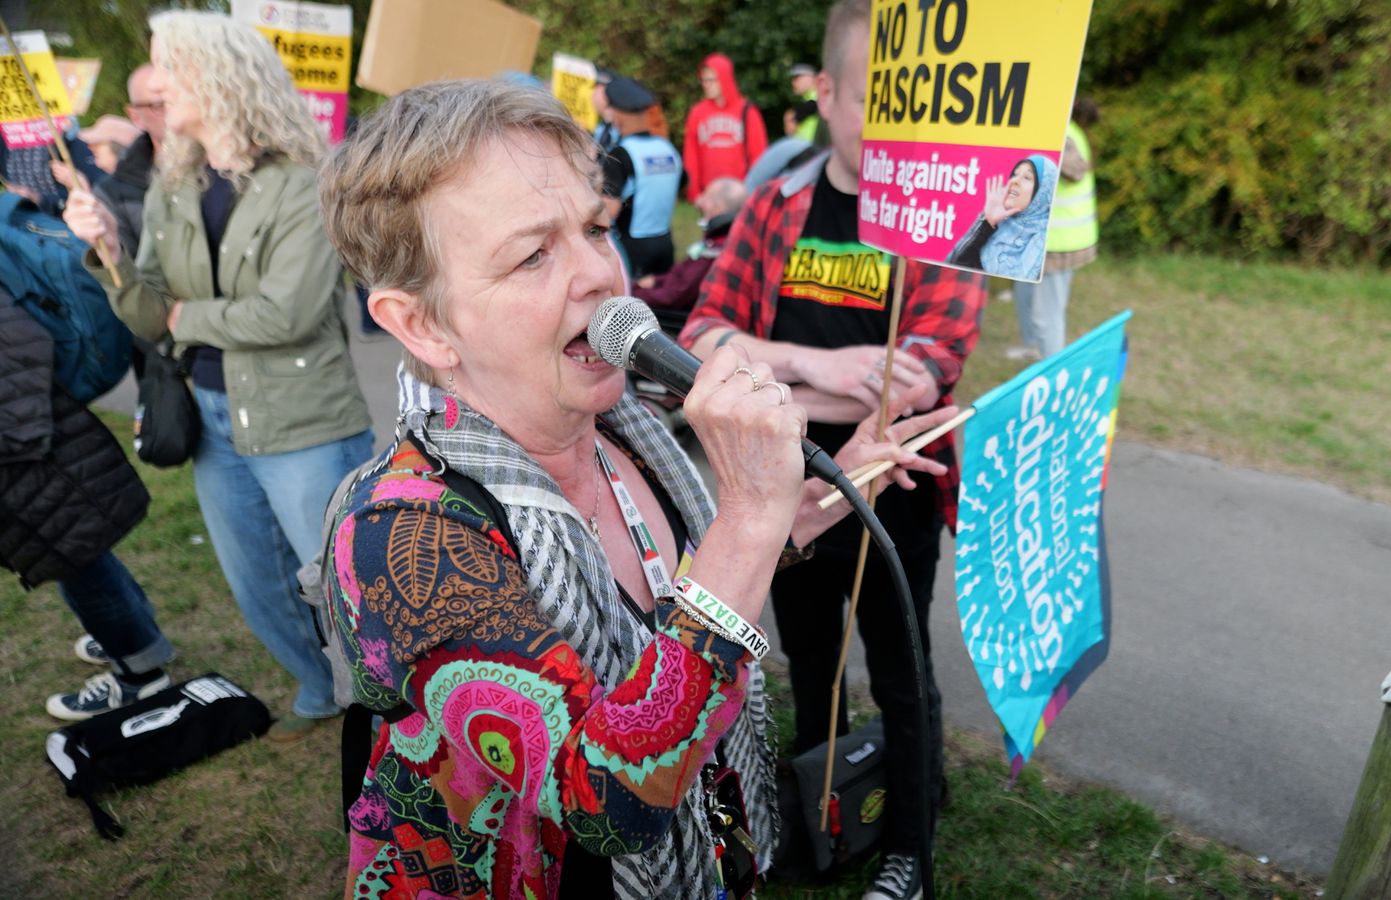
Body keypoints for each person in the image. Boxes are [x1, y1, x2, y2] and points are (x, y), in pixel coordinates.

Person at [316, 77, 955, 898]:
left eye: (595, 227)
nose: (600, 274)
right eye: (533, 254)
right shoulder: (396, 537)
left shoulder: (627, 427)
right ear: (422, 324)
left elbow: (680, 585)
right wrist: (749, 521)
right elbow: (605, 800)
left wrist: (802, 504)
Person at [682, 2, 985, 896]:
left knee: (902, 669)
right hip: (783, 481)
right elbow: (700, 334)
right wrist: (821, 365)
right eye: (869, 102)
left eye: (912, 108)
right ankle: (825, 809)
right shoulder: (778, 203)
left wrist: (761, 375)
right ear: (824, 93)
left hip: (894, 480)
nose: (891, 130)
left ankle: (910, 848)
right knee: (810, 657)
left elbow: (921, 376)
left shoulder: (947, 220)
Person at [63, 11, 373, 743]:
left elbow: (284, 315)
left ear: (220, 76)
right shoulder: (177, 180)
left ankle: (382, 706)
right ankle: (319, 685)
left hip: (303, 416)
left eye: (167, 64)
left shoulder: (304, 182)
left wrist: (180, 319)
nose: (155, 83)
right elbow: (144, 311)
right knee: (256, 582)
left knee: (342, 581)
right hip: (210, 412)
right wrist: (106, 246)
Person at [0, 284, 177, 720]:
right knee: (81, 553)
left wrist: (21, 437)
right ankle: (136, 635)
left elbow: (21, 342)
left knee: (76, 560)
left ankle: (140, 675)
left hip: (26, 451)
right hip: (31, 446)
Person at [1007, 99, 1100, 362]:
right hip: (1036, 237)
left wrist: (1045, 146)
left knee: (1046, 315)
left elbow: (1076, 171)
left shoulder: (1062, 133)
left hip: (1060, 242)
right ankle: (1033, 349)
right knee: (1024, 296)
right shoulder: (1056, 130)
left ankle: (1053, 374)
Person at [600, 76, 682, 279]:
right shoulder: (668, 149)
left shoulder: (620, 154)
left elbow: (609, 210)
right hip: (664, 243)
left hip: (632, 248)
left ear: (617, 117)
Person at [633, 176, 747, 316]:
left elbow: (673, 297)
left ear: (718, 208)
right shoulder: (726, 240)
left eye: (705, 196)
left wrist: (631, 293)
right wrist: (656, 281)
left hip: (675, 317)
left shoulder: (714, 250)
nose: (698, 201)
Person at [88, 63, 166, 258]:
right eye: (159, 106)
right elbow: (129, 278)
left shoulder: (224, 165)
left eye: (180, 99)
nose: (175, 113)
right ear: (135, 116)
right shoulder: (112, 194)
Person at [946, 154, 1057, 281]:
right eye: (1015, 175)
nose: (1014, 181)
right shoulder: (999, 223)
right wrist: (986, 223)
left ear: (1043, 190)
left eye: (1027, 177)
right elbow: (952, 265)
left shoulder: (1044, 242)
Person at [683, 53, 767, 202]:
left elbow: (759, 155)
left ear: (725, 78)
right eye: (703, 80)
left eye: (711, 80)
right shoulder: (697, 113)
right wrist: (694, 193)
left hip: (741, 193)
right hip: (709, 194)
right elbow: (691, 156)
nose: (706, 84)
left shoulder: (747, 111)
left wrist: (754, 190)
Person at [786, 62, 820, 141]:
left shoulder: (819, 97)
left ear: (812, 78)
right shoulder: (807, 100)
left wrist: (795, 115)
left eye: (797, 78)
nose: (793, 82)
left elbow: (814, 103)